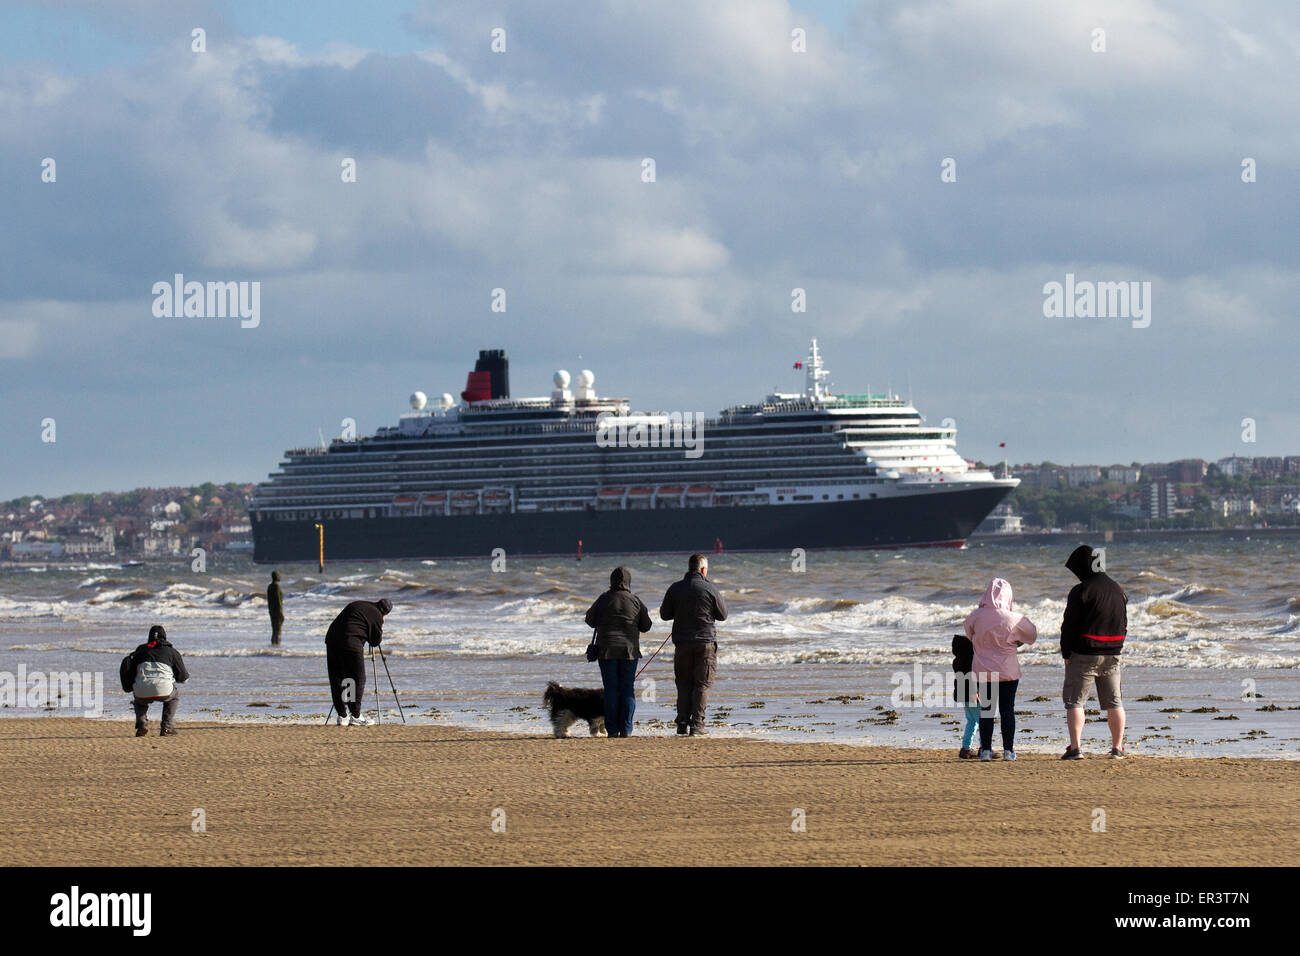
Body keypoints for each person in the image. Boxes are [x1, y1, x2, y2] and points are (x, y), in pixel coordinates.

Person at [1060, 544, 1128, 759]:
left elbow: (1068, 626)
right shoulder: (1118, 589)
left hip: (1083, 653)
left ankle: (1076, 748)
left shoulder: (1081, 591)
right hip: (1113, 652)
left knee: (1075, 701)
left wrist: (1066, 653)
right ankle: (1118, 748)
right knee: (1114, 702)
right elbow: (1123, 622)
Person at [964, 578, 1037, 761]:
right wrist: (1016, 641)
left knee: (987, 711)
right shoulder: (1014, 618)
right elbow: (1032, 635)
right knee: (1007, 710)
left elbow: (969, 632)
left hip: (984, 670)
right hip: (1007, 671)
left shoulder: (976, 616)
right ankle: (1008, 751)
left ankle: (986, 751)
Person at [659, 553, 727, 736]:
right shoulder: (710, 588)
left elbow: (664, 614)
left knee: (683, 683)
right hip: (705, 643)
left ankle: (682, 723)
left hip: (682, 644)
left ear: (689, 568)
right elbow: (723, 615)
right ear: (703, 570)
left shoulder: (675, 588)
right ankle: (697, 725)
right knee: (702, 684)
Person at [585, 566, 652, 737]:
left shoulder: (603, 599)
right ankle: (627, 729)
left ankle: (613, 730)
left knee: (611, 689)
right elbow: (647, 626)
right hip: (629, 651)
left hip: (606, 651)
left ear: (611, 581)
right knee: (627, 688)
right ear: (629, 582)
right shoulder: (635, 600)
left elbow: (589, 620)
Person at [325, 599, 391, 726]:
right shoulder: (377, 616)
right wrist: (380, 623)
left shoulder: (359, 604)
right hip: (351, 642)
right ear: (385, 613)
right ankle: (355, 716)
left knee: (338, 677)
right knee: (357, 678)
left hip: (332, 638)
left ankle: (342, 715)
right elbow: (375, 641)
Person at [120, 624, 190, 737]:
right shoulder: (172, 652)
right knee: (174, 697)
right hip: (164, 691)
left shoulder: (140, 651)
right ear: (165, 637)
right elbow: (184, 678)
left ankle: (142, 722)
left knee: (139, 701)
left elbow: (132, 674)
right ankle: (166, 728)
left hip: (142, 691)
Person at [950, 633, 980, 759]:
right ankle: (985, 747)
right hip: (971, 693)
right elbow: (970, 675)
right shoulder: (970, 658)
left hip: (962, 693)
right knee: (981, 720)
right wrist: (974, 692)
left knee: (972, 720)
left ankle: (966, 748)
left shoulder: (957, 660)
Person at [267, 571, 284, 645]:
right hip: (277, 611)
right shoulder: (276, 587)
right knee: (278, 630)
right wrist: (281, 612)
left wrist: (270, 610)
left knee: (274, 630)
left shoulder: (270, 586)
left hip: (271, 611)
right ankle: (277, 644)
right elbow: (278, 600)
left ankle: (274, 644)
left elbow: (269, 600)